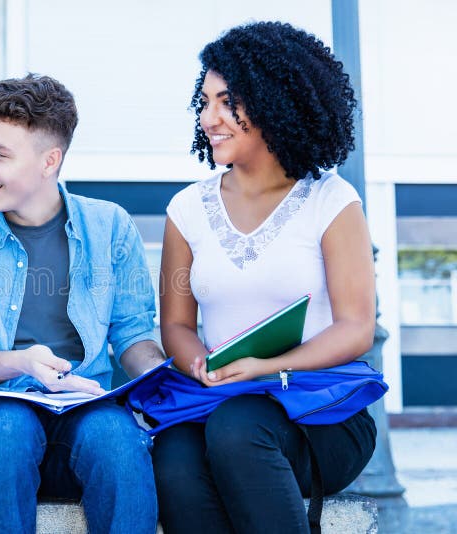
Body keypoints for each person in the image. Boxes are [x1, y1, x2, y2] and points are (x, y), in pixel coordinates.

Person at [152, 22, 378, 534]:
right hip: (219, 401)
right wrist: (202, 364)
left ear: (274, 102)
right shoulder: (186, 209)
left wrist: (265, 366)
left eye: (226, 102)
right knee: (173, 454)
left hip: (319, 411)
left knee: (239, 429)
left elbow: (356, 327)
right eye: (204, 101)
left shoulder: (331, 201)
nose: (209, 118)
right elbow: (177, 326)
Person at [0, 74, 165, 534]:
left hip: (80, 414)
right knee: (8, 425)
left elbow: (134, 333)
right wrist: (22, 363)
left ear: (49, 161)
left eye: (0, 154)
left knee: (117, 435)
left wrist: (165, 377)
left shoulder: (110, 227)